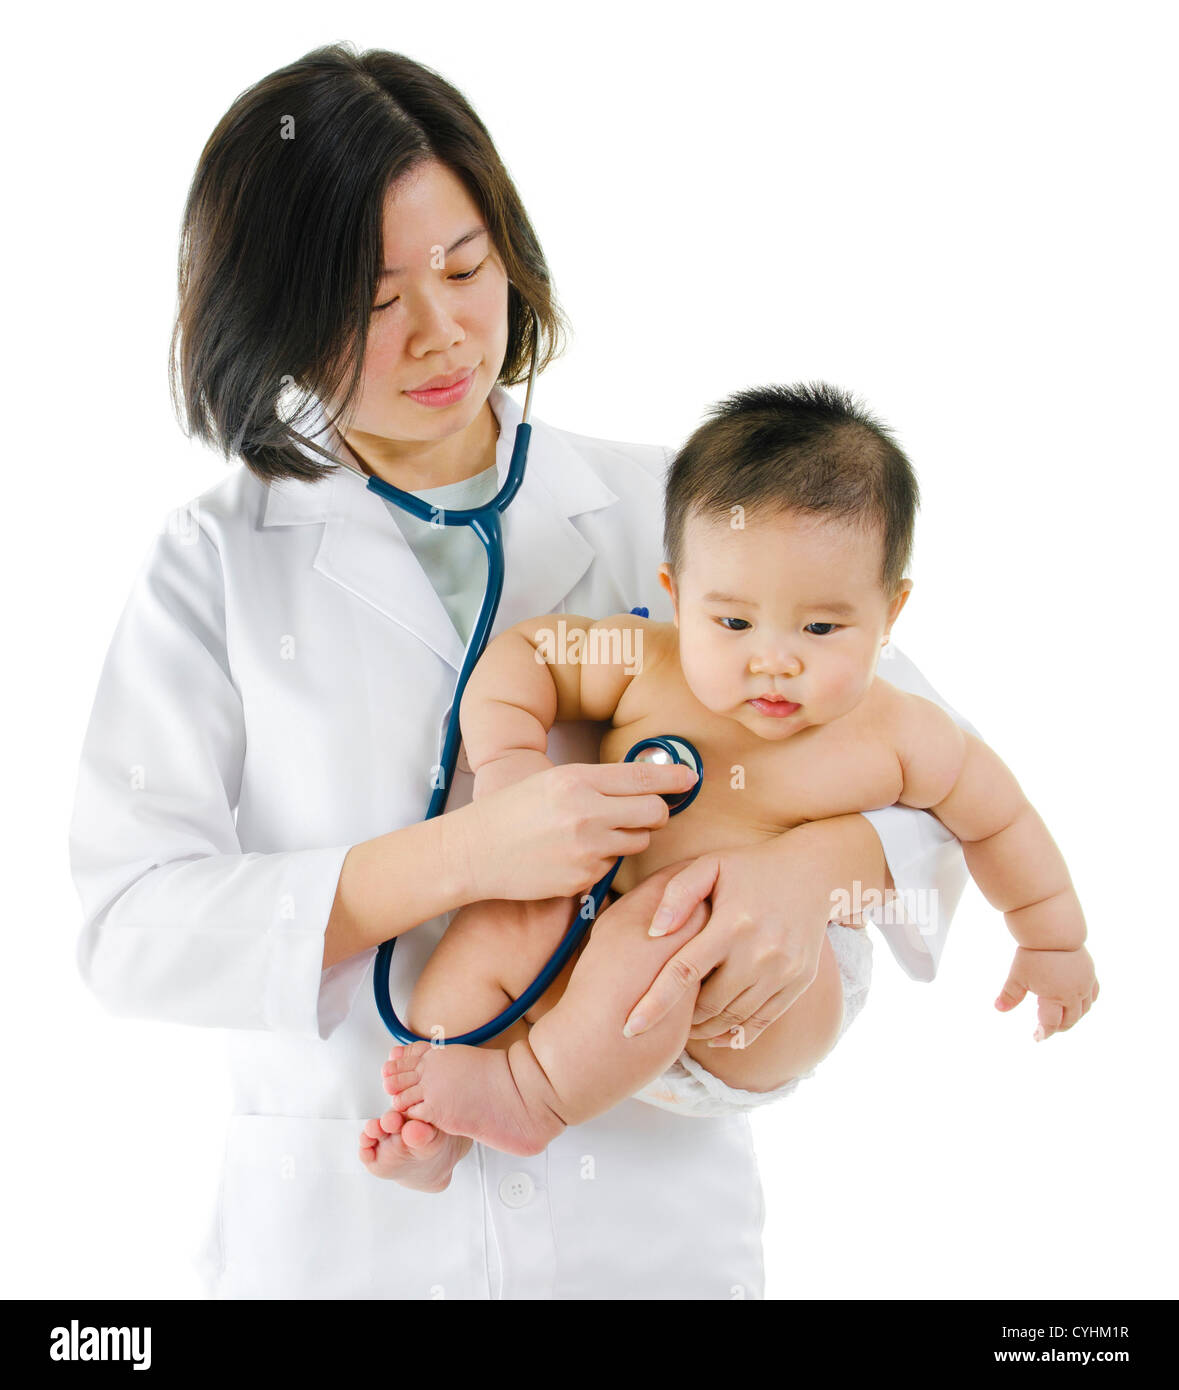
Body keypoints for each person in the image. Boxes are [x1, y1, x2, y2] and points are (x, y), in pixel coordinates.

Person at [68, 43, 975, 1300]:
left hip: (650, 1236)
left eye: (465, 268)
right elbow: (129, 928)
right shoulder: (215, 565)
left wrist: (816, 867)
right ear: (271, 312)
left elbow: (945, 790)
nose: (441, 334)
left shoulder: (683, 509)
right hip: (349, 1235)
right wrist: (463, 857)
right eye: (373, 301)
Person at [373, 383, 1098, 1160]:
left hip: (760, 1008)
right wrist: (510, 766)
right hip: (590, 987)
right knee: (500, 925)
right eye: (732, 622)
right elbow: (524, 659)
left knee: (659, 924)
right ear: (674, 596)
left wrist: (1052, 941)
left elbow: (1001, 821)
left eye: (820, 626)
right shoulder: (645, 662)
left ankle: (531, 1098)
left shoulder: (904, 734)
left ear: (890, 613)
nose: (773, 660)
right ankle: (437, 1132)